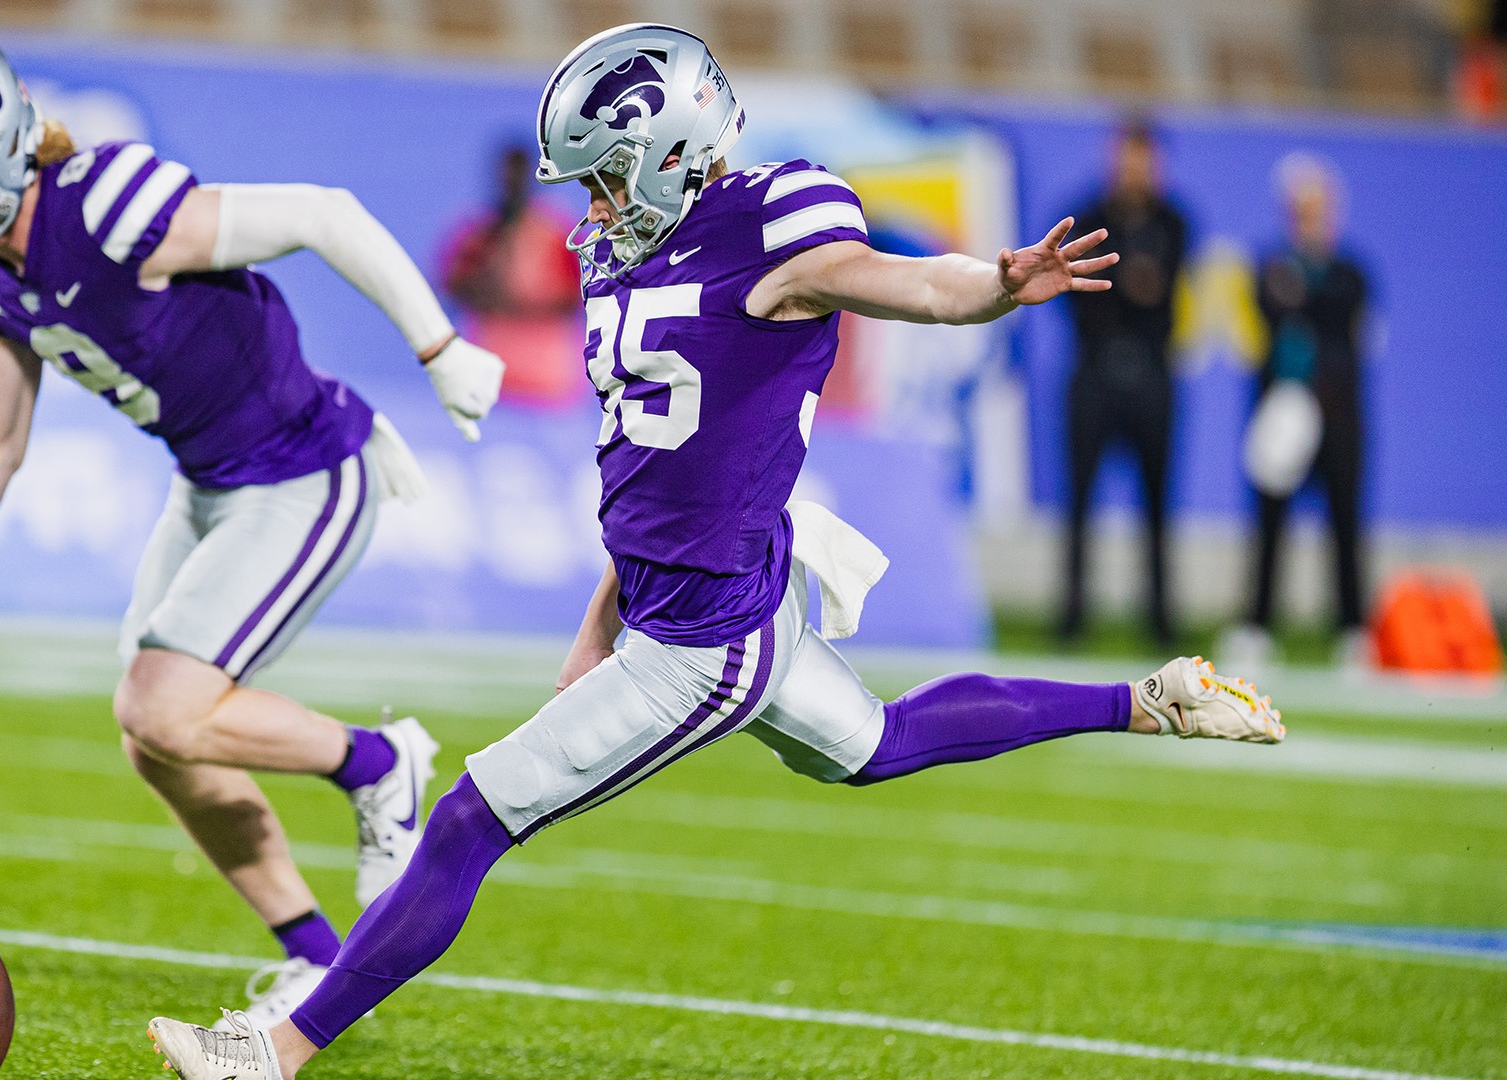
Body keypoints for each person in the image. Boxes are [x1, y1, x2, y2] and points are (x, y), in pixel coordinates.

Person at [145, 25, 1284, 1079]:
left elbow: (903, 284)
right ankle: (1148, 702)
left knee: (469, 819)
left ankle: (277, 1052)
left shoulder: (773, 230)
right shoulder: (618, 257)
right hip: (706, 587)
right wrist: (597, 623)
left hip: (707, 638)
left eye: (601, 177)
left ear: (666, 152)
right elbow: (641, 474)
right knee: (878, 744)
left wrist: (992, 285)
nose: (589, 206)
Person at [0, 32, 504, 1025]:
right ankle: (315, 954)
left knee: (162, 705)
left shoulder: (104, 203)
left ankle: (381, 763)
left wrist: (440, 345)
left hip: (307, 467)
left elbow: (323, 216)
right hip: (207, 482)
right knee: (154, 738)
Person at [1224, 154, 1371, 669]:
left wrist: (1303, 297)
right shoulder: (1271, 264)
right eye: (1301, 211)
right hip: (1282, 409)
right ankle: (1256, 623)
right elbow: (1271, 306)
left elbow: (1336, 312)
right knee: (1269, 522)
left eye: (1318, 211)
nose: (1310, 221)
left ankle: (1353, 628)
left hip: (1336, 412)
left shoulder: (1350, 272)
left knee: (1345, 522)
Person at [1059, 120, 1189, 647]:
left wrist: (1120, 291)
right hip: (1094, 373)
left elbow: (1163, 291)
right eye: (1125, 158)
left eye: (1142, 160)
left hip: (1153, 377)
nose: (1133, 170)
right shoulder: (1086, 219)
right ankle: (1072, 614)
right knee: (1080, 501)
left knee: (1157, 501)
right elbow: (1074, 293)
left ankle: (1159, 615)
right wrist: (1129, 288)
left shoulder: (1175, 223)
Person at [440, 144, 585, 406]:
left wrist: (527, 300)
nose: (512, 183)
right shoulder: (478, 234)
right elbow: (452, 285)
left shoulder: (557, 233)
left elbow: (582, 294)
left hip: (546, 376)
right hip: (490, 370)